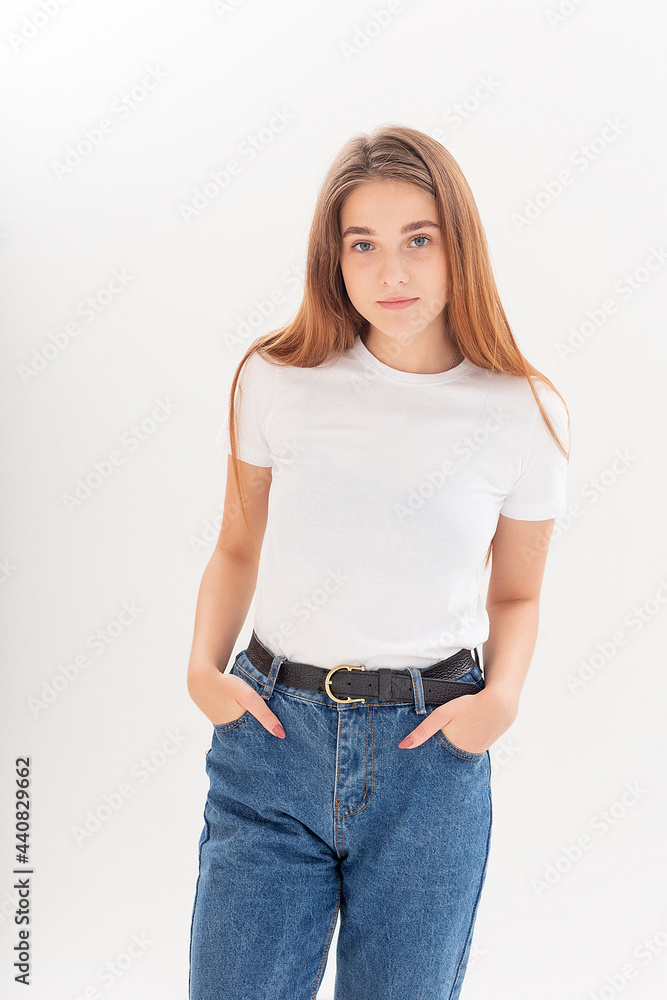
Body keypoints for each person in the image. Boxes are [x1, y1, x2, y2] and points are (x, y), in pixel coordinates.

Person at [186, 123, 570, 1000]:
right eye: (363, 244)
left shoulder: (523, 412)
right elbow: (236, 544)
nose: (390, 273)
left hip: (428, 754)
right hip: (271, 736)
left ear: (456, 248)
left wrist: (499, 702)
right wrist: (202, 671)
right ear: (334, 257)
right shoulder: (276, 378)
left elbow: (516, 594)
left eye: (417, 240)